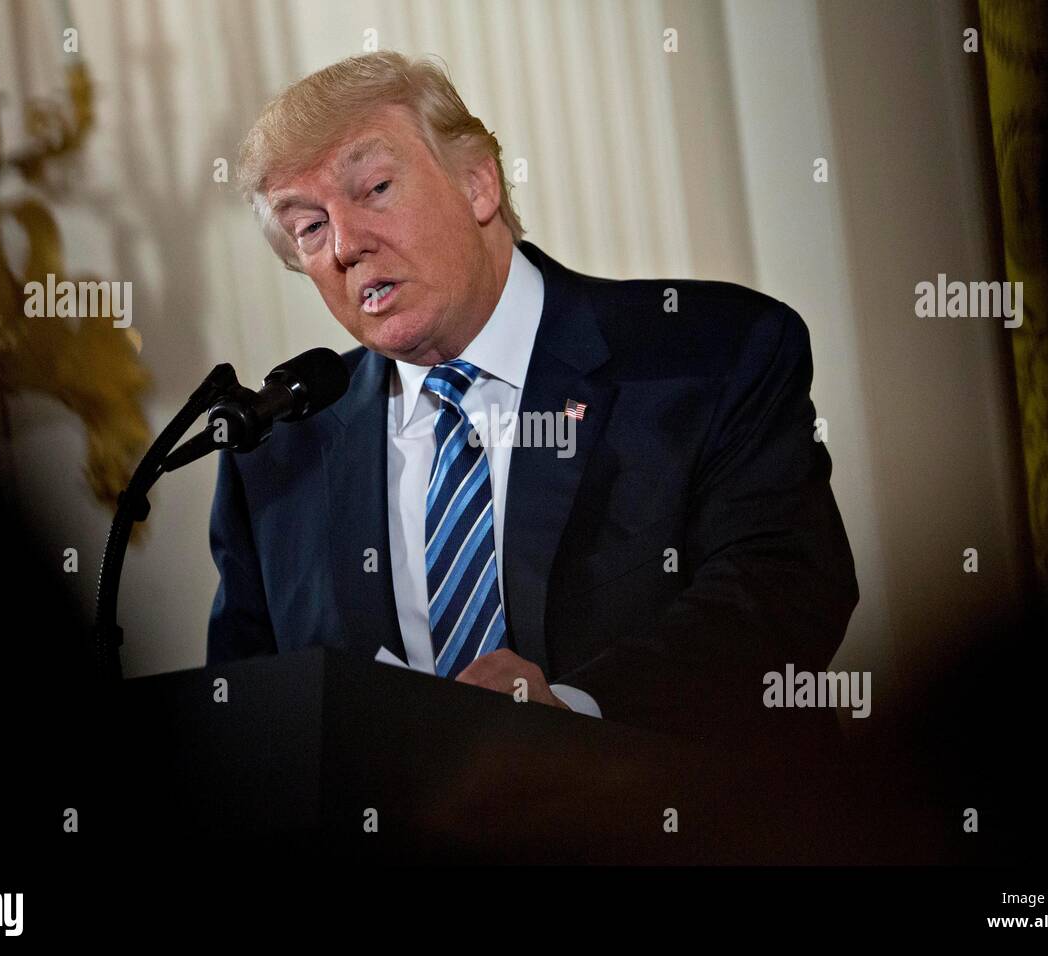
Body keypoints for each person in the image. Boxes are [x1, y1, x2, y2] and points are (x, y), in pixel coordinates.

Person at [208, 50, 859, 740]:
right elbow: (247, 714)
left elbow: (782, 594)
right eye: (308, 226)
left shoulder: (712, 353)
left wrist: (575, 712)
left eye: (373, 188)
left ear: (479, 183)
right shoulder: (278, 453)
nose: (344, 244)